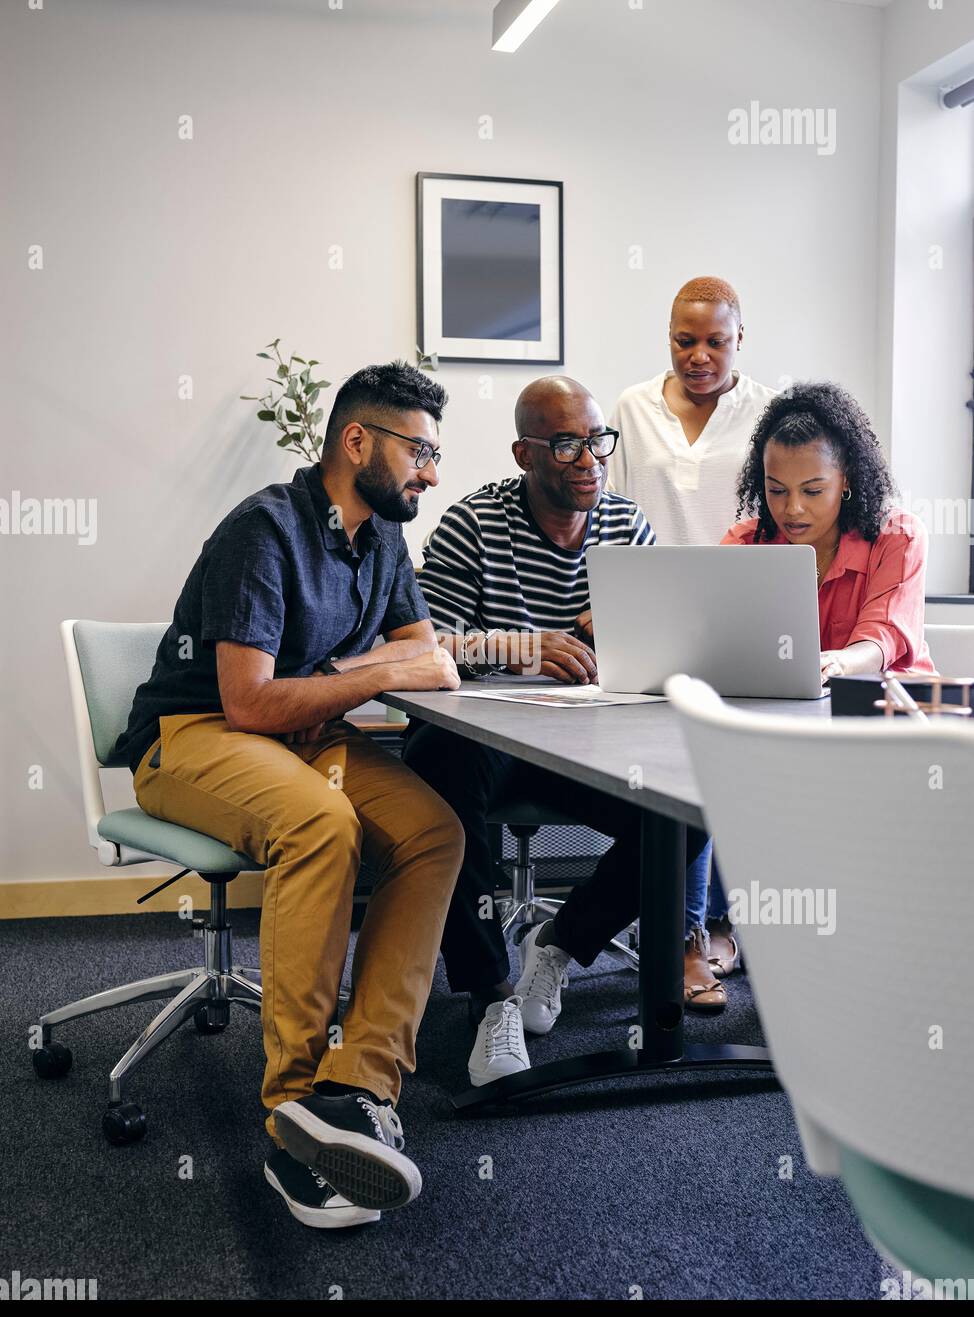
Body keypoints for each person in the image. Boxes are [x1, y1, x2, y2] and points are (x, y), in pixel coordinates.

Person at [112, 361, 466, 1229]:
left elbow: (426, 653)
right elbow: (250, 700)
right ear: (357, 441)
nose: (430, 471)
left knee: (433, 834)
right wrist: (373, 670)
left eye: (434, 452)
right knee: (322, 824)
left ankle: (356, 1089)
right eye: (419, 450)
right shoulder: (263, 530)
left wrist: (357, 669)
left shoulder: (381, 537)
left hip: (305, 736)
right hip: (195, 738)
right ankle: (292, 1114)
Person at [403, 375, 717, 1090]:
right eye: (568, 444)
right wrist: (523, 646)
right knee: (439, 761)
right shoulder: (472, 524)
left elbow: (661, 644)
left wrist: (638, 633)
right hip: (485, 742)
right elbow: (425, 642)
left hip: (589, 738)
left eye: (598, 441)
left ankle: (559, 948)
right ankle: (490, 999)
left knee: (692, 805)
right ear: (525, 454)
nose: (589, 459)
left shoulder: (627, 527)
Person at [609, 276, 779, 981]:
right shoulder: (631, 407)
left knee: (730, 772)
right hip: (655, 614)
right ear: (668, 338)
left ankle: (713, 934)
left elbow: (781, 514)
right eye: (685, 340)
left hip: (739, 611)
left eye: (715, 340)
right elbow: (610, 513)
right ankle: (683, 941)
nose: (699, 354)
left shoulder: (769, 411)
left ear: (741, 338)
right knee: (683, 770)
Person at [721, 380, 934, 681]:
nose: (792, 508)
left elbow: (883, 636)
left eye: (812, 491)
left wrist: (842, 663)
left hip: (894, 707)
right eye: (777, 490)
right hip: (792, 711)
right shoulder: (745, 545)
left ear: (845, 479)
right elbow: (725, 640)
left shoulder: (898, 537)